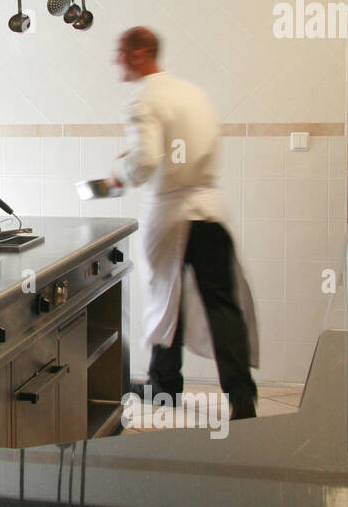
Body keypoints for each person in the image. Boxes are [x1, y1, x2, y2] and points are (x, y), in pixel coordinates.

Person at [106, 26, 259, 420]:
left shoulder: (142, 100)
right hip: (209, 210)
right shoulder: (193, 93)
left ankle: (165, 388)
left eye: (120, 52)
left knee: (162, 298)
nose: (115, 60)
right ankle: (242, 398)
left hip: (172, 214)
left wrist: (119, 175)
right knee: (222, 304)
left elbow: (146, 161)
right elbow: (184, 146)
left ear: (140, 53)